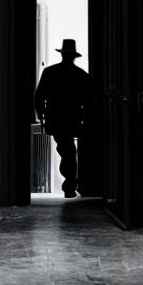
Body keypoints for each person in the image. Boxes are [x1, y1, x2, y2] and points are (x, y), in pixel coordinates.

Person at [34, 39, 93, 198]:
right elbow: (89, 101)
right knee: (68, 150)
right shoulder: (82, 75)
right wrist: (88, 120)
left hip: (56, 117)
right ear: (74, 56)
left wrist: (41, 114)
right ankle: (70, 184)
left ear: (62, 54)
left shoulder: (50, 72)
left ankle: (70, 184)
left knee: (66, 150)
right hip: (73, 118)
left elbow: (39, 96)